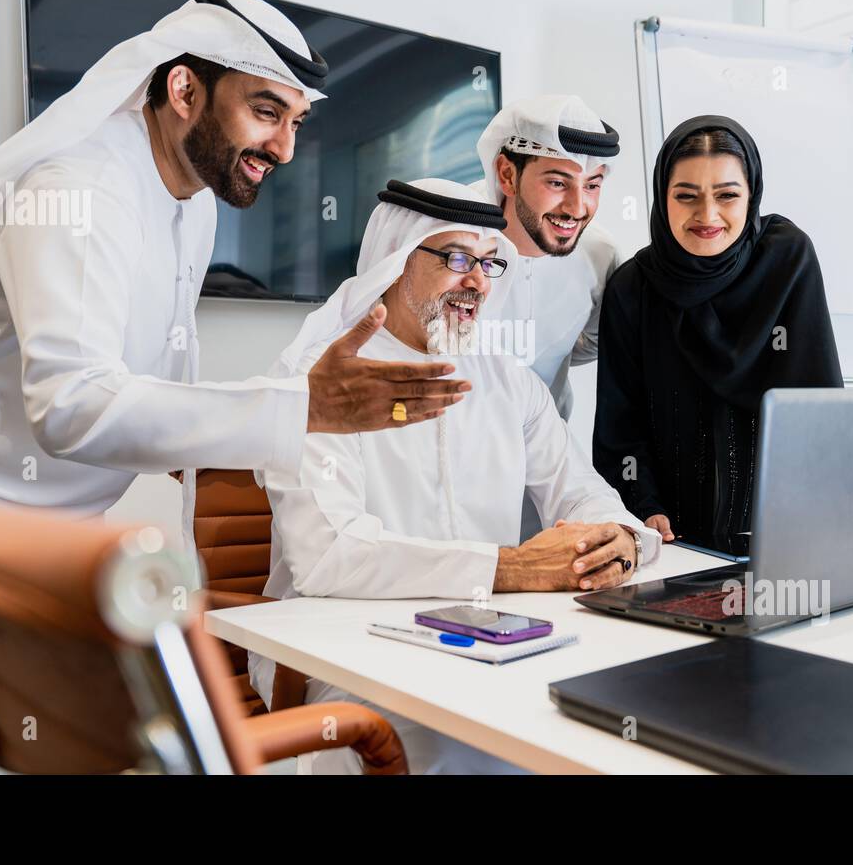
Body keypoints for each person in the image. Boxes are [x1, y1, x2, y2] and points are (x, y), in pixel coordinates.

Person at [0, 0, 466, 772]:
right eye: (266, 112)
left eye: (297, 122)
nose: (285, 148)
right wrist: (296, 408)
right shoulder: (78, 191)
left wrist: (286, 413)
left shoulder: (190, 197)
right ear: (183, 88)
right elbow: (71, 405)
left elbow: (155, 381)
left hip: (43, 510)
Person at [252, 178, 660, 773]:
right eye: (457, 258)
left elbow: (585, 495)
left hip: (496, 640)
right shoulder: (322, 378)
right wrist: (512, 567)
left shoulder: (507, 381)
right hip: (349, 650)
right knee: (467, 753)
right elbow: (328, 557)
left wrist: (620, 539)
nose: (476, 281)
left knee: (617, 724)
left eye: (490, 262)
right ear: (394, 260)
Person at [593, 116, 843, 550]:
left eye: (727, 195)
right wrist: (642, 504)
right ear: (661, 198)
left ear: (752, 195)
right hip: (669, 541)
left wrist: (813, 517)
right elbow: (620, 426)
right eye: (686, 196)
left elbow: (817, 403)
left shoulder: (787, 260)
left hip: (783, 533)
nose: (707, 216)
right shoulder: (632, 288)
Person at [471, 95, 621, 420]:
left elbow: (592, 342)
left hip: (547, 452)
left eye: (592, 185)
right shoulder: (452, 241)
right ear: (507, 175)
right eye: (557, 182)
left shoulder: (600, 254)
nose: (577, 208)